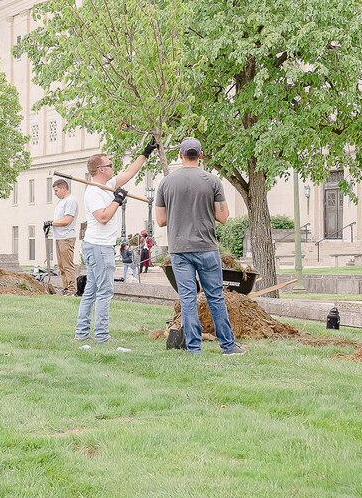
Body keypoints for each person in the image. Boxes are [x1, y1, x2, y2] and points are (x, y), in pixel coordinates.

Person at [155, 137, 245, 356]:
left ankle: (194, 348)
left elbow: (160, 220)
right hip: (206, 247)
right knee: (215, 296)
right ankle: (228, 346)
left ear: (180, 156)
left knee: (187, 298)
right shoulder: (212, 181)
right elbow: (223, 216)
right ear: (201, 156)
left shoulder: (166, 183)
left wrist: (178, 210)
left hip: (179, 249)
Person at [76, 139, 157, 343]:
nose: (113, 167)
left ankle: (82, 333)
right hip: (98, 247)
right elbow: (103, 217)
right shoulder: (93, 192)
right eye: (110, 164)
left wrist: (146, 152)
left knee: (92, 290)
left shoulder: (108, 185)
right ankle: (101, 335)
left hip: (99, 247)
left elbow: (130, 172)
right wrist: (117, 200)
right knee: (104, 291)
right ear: (101, 169)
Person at [45, 178, 79, 295]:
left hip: (66, 237)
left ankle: (72, 290)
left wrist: (52, 223)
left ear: (63, 188)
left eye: (56, 190)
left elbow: (67, 220)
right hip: (59, 237)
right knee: (61, 265)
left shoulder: (70, 201)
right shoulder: (61, 201)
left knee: (67, 265)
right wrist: (51, 224)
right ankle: (65, 288)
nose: (55, 193)